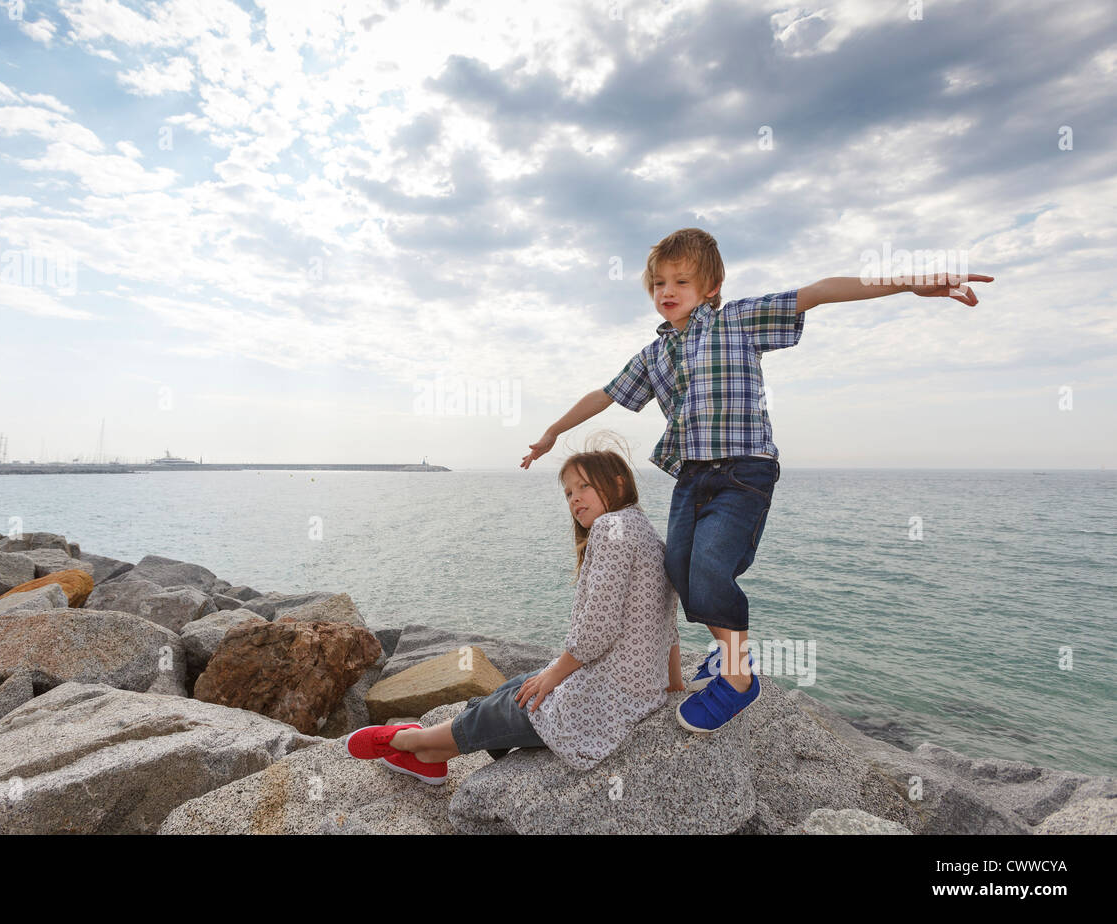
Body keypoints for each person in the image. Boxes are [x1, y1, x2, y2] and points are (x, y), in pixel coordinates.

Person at [522, 227, 991, 733]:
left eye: (681, 280)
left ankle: (740, 679)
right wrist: (553, 431)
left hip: (744, 471)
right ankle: (723, 658)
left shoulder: (739, 321)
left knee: (709, 570)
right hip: (692, 475)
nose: (667, 291)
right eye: (658, 283)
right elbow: (606, 394)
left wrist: (910, 283)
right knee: (678, 572)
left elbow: (822, 290)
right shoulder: (654, 356)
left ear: (711, 286)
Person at [344, 448, 684, 783]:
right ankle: (434, 756)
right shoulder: (645, 533)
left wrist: (555, 677)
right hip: (633, 687)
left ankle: (411, 741)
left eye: (584, 487)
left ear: (619, 485)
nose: (574, 499)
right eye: (568, 492)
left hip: (608, 697)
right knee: (519, 686)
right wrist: (673, 684)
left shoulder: (610, 529)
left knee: (524, 701)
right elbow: (667, 622)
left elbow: (598, 628)